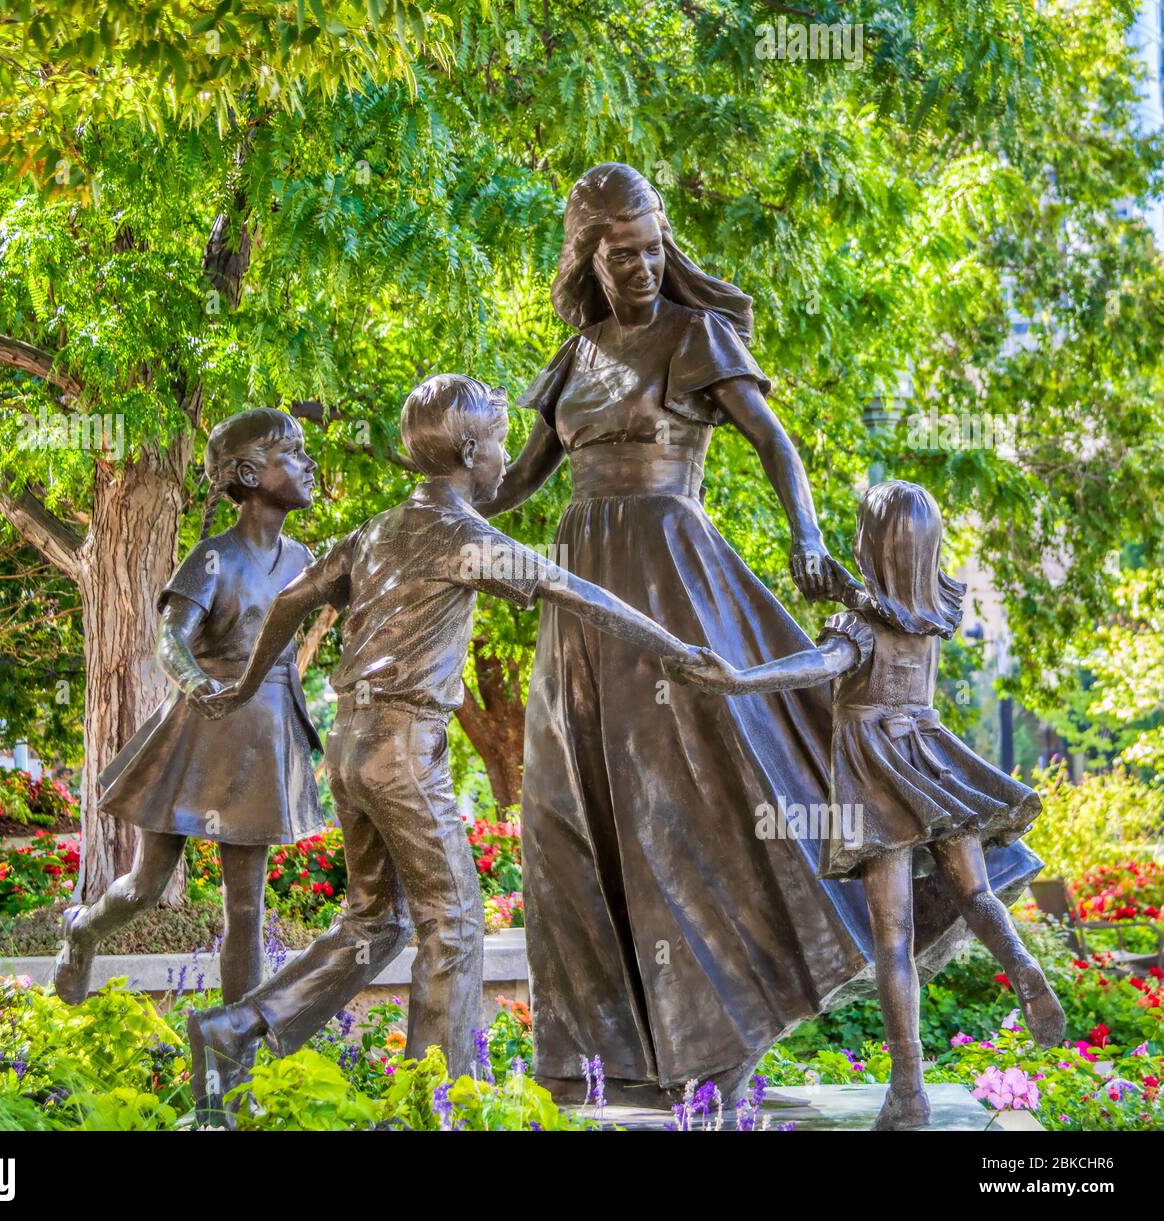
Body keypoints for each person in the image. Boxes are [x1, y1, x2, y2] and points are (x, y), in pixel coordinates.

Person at [480, 162, 1041, 1103]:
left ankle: (724, 1028)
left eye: (655, 247)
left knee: (707, 791)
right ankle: (610, 1056)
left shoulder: (693, 333)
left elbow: (775, 443)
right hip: (580, 595)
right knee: (572, 806)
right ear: (588, 256)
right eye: (623, 254)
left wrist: (807, 537)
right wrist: (435, 525)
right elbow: (513, 486)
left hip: (674, 583)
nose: (645, 266)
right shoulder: (575, 362)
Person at [186, 374, 716, 1122]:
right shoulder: (463, 536)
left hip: (349, 743)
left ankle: (235, 1027)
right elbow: (576, 592)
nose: (505, 459)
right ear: (472, 449)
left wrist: (242, 687)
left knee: (374, 922)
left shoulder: (376, 531)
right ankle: (431, 1111)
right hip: (402, 744)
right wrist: (677, 648)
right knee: (455, 921)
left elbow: (292, 597)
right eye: (500, 443)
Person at [674, 480, 1065, 1129]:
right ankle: (1021, 965)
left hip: (879, 778)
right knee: (975, 893)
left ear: (869, 545)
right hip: (933, 762)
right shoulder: (932, 616)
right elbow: (885, 620)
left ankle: (907, 1088)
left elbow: (814, 664)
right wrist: (842, 593)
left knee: (894, 937)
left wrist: (740, 678)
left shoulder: (857, 625)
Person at [52, 409, 325, 1011]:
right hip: (201, 730)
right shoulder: (212, 558)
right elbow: (170, 639)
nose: (309, 464)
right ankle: (82, 930)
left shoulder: (304, 559)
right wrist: (198, 686)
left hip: (266, 730)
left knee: (246, 908)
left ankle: (233, 1057)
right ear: (251, 475)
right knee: (146, 886)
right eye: (293, 454)